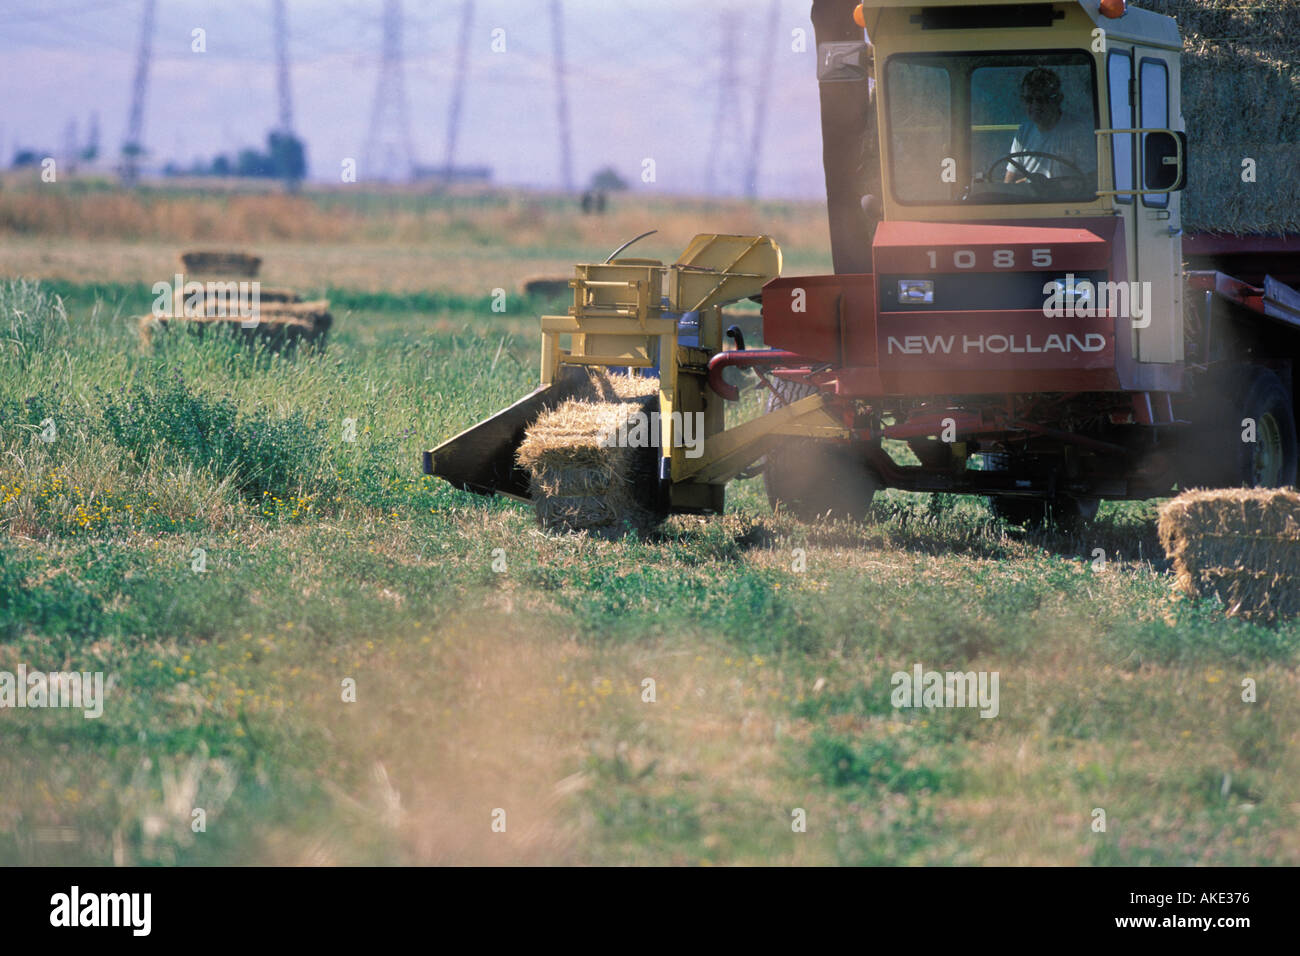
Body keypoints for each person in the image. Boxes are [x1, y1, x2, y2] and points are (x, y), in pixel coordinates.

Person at [1003, 67, 1096, 183]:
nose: (1035, 106)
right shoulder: (1023, 132)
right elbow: (1009, 182)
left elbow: (1091, 182)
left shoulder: (1078, 132)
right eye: (1029, 100)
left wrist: (1049, 188)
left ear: (1058, 100)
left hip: (1069, 200)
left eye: (1041, 99)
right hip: (1029, 200)